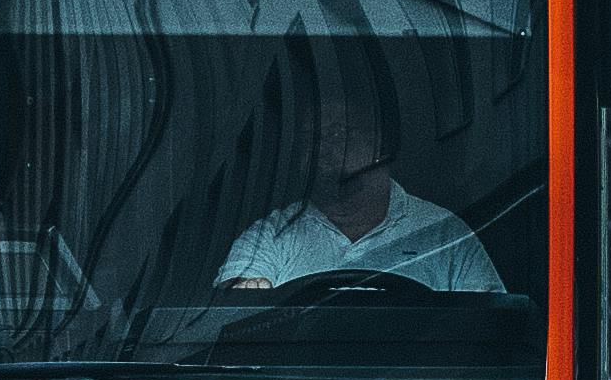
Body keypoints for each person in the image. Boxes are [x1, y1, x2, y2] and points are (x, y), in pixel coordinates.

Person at [214, 38, 505, 300]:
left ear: (381, 143)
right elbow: (233, 308)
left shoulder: (443, 234)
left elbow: (488, 325)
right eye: (311, 140)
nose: (325, 149)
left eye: (340, 134)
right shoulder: (273, 236)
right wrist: (244, 290)